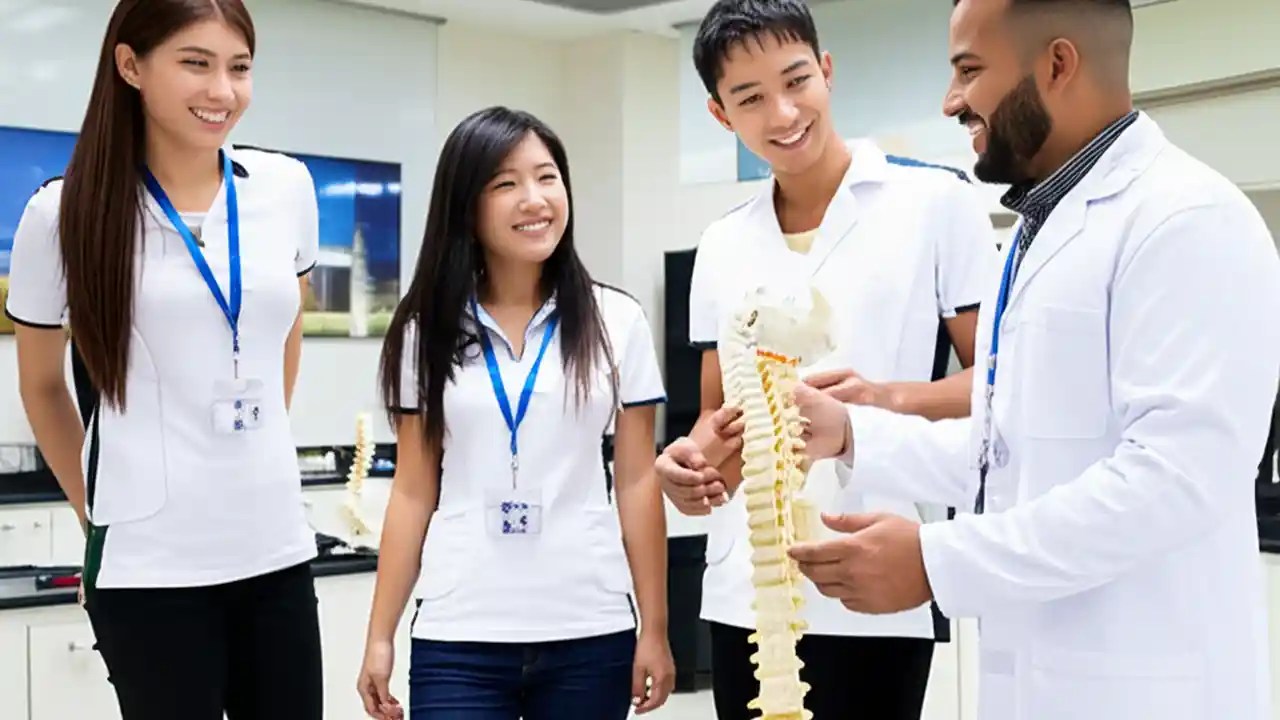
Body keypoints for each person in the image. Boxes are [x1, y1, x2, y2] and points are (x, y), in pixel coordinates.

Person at [705, 1, 1279, 719]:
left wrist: (936, 561)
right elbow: (1006, 451)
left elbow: (1173, 481)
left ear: (1058, 64)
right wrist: (853, 434)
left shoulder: (1187, 220)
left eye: (968, 71)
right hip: (1040, 677)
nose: (951, 101)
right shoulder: (1042, 230)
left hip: (1143, 681)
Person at [653, 1, 999, 718]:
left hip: (874, 565)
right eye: (750, 99)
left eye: (796, 80)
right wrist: (686, 466)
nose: (782, 113)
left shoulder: (935, 202)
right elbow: (719, 428)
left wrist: (878, 401)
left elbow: (1001, 383)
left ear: (828, 71)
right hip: (747, 586)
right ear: (723, 116)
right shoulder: (722, 243)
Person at [5, 1, 324, 719]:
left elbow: (284, 330)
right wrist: (99, 514)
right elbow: (41, 385)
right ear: (130, 66)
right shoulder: (63, 215)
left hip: (274, 545)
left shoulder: (284, 190)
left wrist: (258, 444)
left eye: (239, 68)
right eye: (196, 64)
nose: (223, 91)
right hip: (148, 565)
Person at [355, 106, 675, 720]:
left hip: (590, 627)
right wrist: (379, 634)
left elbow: (637, 482)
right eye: (506, 183)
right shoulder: (426, 330)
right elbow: (413, 492)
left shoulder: (617, 321)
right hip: (460, 634)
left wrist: (654, 627)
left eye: (547, 177)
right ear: (465, 207)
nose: (534, 199)